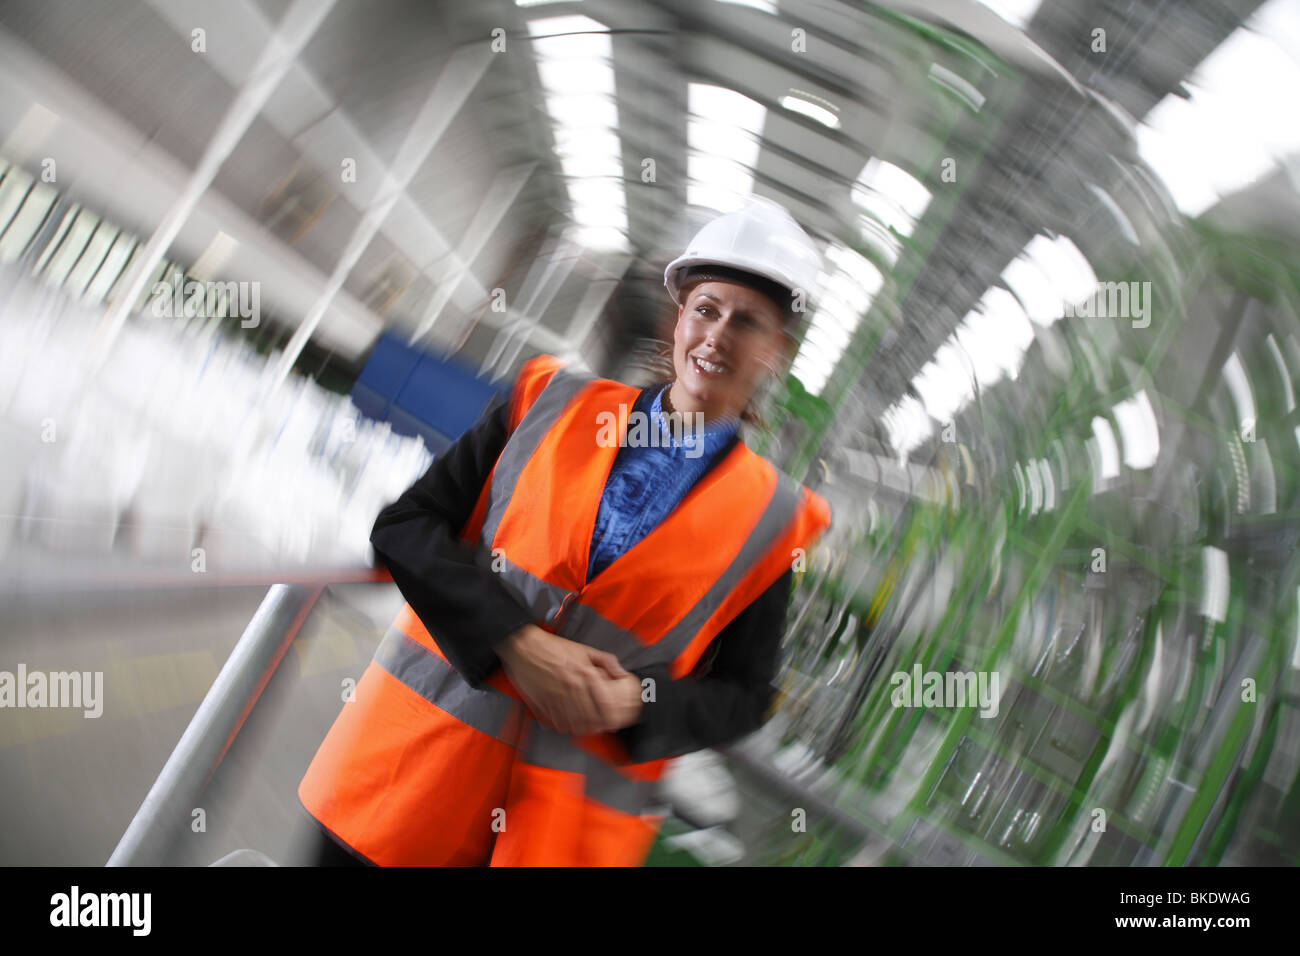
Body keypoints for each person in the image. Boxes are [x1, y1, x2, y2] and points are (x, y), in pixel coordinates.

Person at [297, 197, 832, 866]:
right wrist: (515, 642)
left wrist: (637, 701)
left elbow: (745, 697)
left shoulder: (776, 520)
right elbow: (405, 528)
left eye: (747, 322)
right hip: (401, 787)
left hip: (556, 838)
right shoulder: (549, 401)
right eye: (706, 309)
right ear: (677, 321)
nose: (718, 336)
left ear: (775, 351)